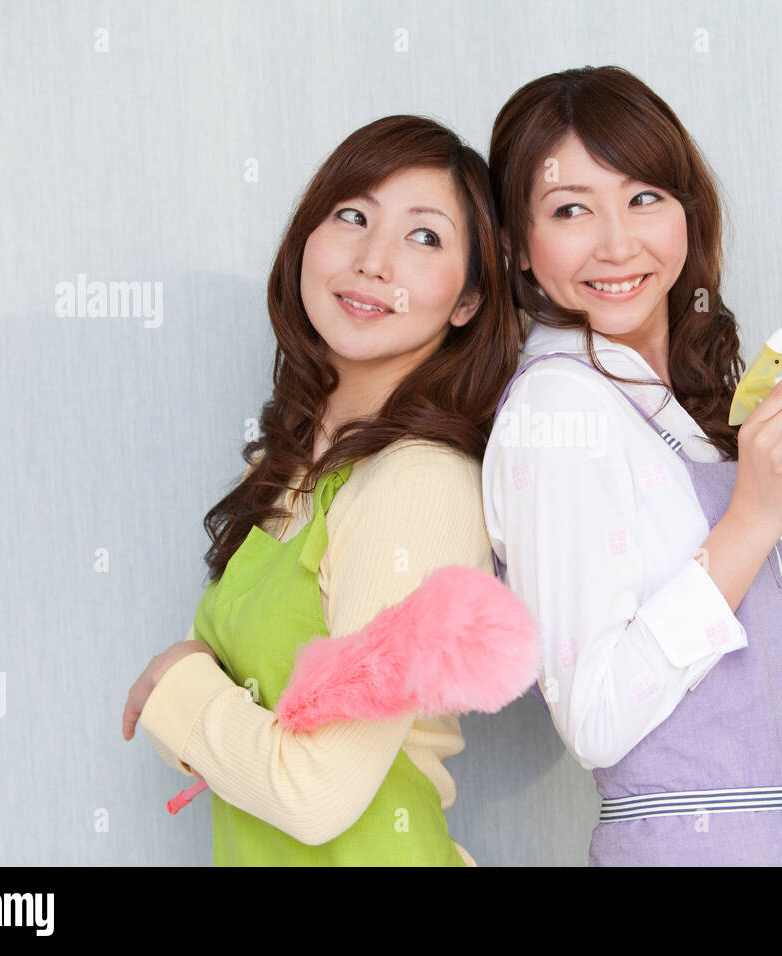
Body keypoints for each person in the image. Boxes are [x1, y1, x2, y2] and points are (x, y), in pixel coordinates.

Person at [483, 66, 782, 865]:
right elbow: (593, 717)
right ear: (519, 247)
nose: (618, 242)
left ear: (687, 210)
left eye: (644, 198)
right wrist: (755, 516)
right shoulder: (558, 413)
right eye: (569, 210)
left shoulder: (709, 400)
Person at [121, 114, 521, 865]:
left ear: (468, 300)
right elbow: (251, 738)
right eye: (352, 215)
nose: (374, 260)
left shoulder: (419, 482)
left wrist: (175, 685)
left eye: (424, 236)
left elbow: (315, 796)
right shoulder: (289, 467)